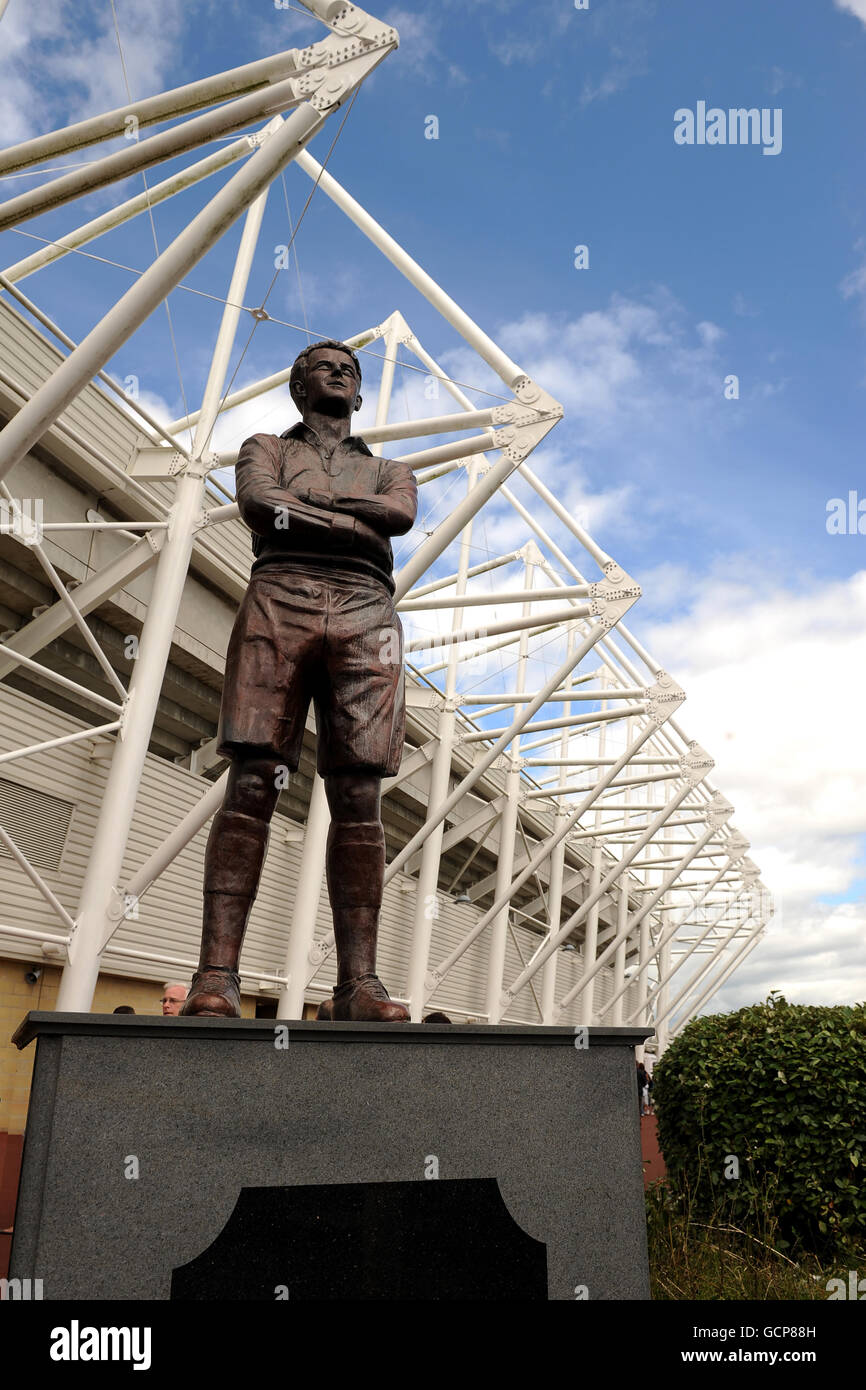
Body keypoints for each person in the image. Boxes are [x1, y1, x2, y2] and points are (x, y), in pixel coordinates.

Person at [182, 341, 417, 1023]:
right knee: (254, 776)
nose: (340, 372)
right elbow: (260, 504)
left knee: (358, 790)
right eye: (324, 365)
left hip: (367, 607)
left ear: (361, 394)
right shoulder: (265, 446)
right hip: (278, 595)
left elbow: (399, 516)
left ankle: (358, 985)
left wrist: (312, 504)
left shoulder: (389, 467)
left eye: (350, 369)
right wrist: (352, 518)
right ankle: (215, 976)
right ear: (298, 386)